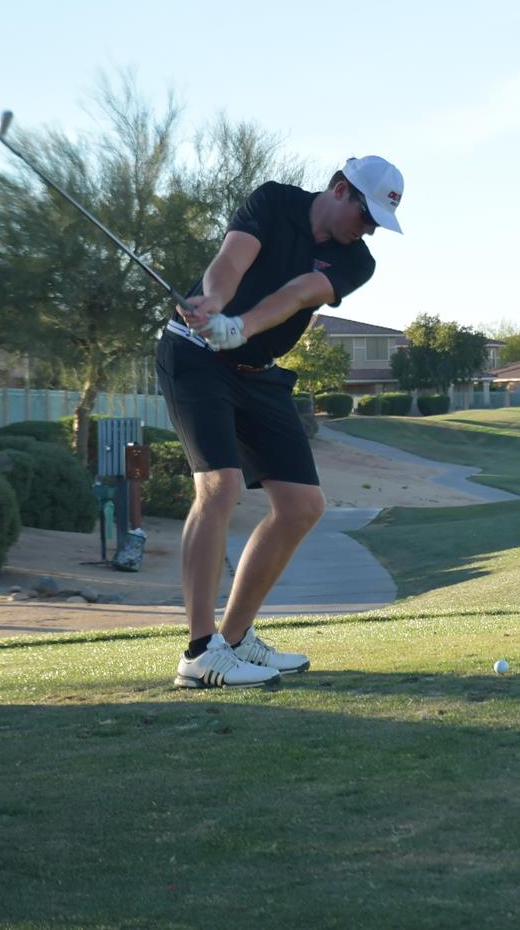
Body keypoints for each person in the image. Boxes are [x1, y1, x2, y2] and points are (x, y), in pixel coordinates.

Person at [154, 156, 404, 688]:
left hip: (255, 369)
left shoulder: (357, 263)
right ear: (340, 190)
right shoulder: (272, 200)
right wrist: (214, 307)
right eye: (367, 218)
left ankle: (236, 640)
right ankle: (200, 654)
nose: (369, 233)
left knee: (302, 506)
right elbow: (230, 262)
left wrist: (239, 327)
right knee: (218, 489)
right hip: (195, 358)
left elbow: (297, 296)